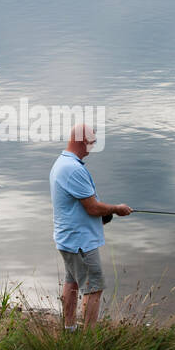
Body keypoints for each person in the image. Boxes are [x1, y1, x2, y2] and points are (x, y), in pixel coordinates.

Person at [49, 124, 131, 332]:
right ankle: (89, 339)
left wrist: (105, 215)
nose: (92, 148)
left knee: (72, 283)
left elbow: (78, 206)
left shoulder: (62, 163)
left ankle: (70, 329)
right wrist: (117, 209)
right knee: (93, 288)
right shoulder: (73, 169)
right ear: (81, 141)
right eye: (92, 143)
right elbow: (93, 207)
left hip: (68, 239)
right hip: (80, 243)